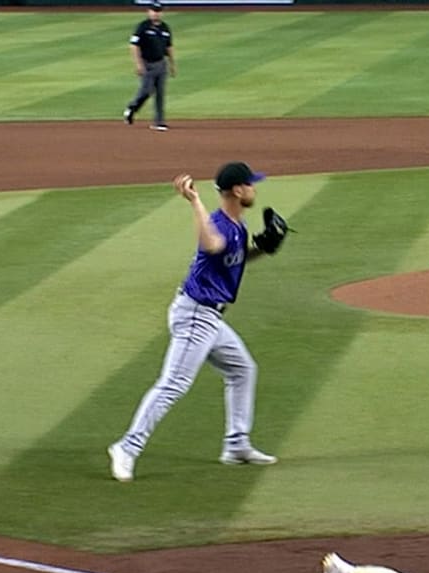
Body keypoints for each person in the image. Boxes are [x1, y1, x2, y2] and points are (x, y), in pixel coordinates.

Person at [107, 162, 279, 482]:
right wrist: (195, 202)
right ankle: (127, 447)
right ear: (238, 190)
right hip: (196, 315)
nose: (255, 188)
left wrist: (263, 249)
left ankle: (236, 444)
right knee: (174, 384)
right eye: (251, 184)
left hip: (210, 318)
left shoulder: (237, 226)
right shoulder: (218, 223)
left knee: (242, 369)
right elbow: (210, 244)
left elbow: (231, 258)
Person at [123, 1, 175, 132]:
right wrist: (138, 64)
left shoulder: (165, 28)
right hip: (147, 63)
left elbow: (169, 47)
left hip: (161, 63)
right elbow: (134, 46)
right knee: (146, 91)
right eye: (153, 11)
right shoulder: (143, 27)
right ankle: (132, 108)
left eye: (158, 11)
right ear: (149, 12)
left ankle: (159, 121)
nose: (156, 14)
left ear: (161, 13)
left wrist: (172, 64)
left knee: (160, 93)